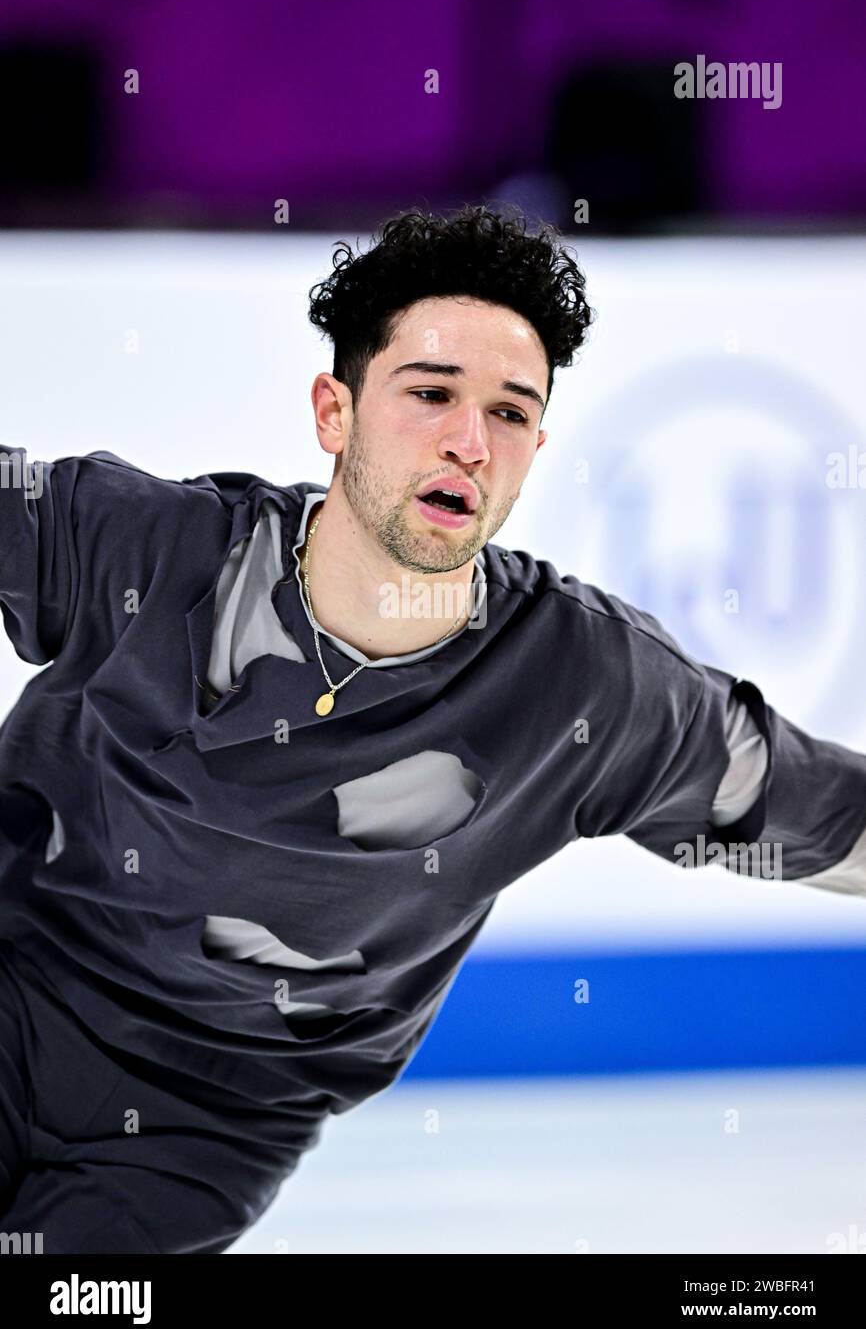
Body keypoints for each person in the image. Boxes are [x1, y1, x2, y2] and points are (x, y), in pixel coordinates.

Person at [1, 204, 864, 1254]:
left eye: (509, 413)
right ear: (335, 411)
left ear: (536, 448)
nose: (469, 439)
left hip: (205, 1130)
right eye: (430, 393)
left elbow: (813, 805)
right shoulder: (143, 548)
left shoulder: (577, 682)